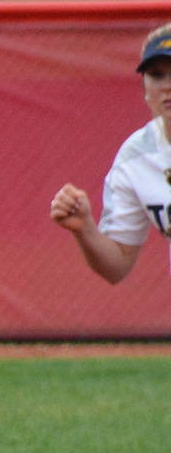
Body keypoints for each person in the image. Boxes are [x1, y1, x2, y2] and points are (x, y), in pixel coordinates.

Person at [50, 24, 171, 284]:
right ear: (145, 91)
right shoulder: (136, 157)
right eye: (156, 74)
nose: (168, 86)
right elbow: (117, 265)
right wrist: (85, 229)